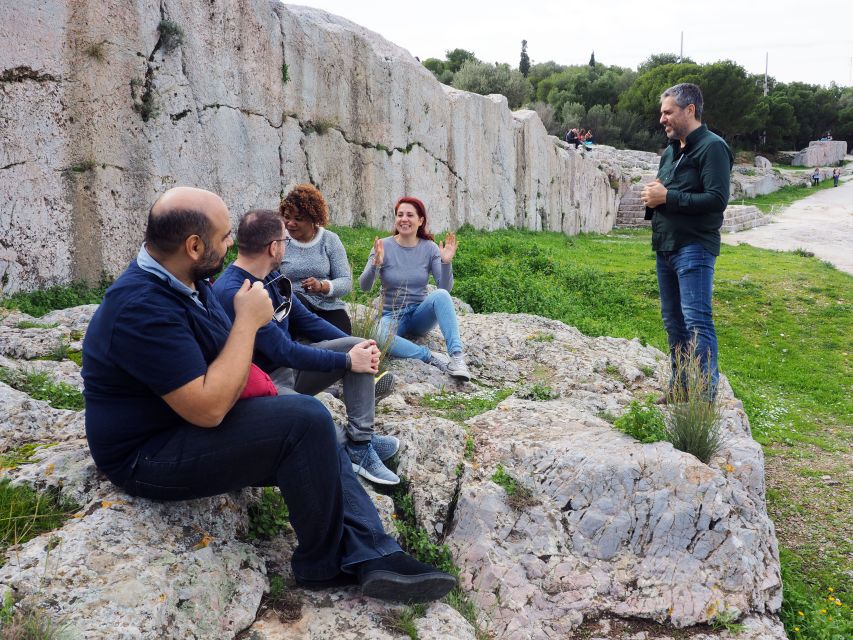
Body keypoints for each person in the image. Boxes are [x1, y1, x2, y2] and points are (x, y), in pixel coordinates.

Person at [81, 187, 456, 601]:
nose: (230, 246)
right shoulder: (141, 306)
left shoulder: (186, 280)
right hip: (147, 453)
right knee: (304, 419)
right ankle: (324, 563)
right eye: (225, 238)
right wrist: (248, 323)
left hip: (181, 421)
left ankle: (374, 553)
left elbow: (222, 359)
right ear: (193, 246)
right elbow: (207, 409)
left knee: (309, 422)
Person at [213, 209, 400, 486]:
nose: (288, 247)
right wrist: (347, 362)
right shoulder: (235, 291)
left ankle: (360, 443)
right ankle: (351, 443)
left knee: (356, 346)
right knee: (317, 423)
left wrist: (363, 348)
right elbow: (283, 351)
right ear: (273, 247)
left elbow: (308, 322)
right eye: (286, 241)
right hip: (264, 388)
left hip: (290, 371)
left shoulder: (276, 279)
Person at [640, 83, 733, 399]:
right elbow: (667, 194)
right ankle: (680, 390)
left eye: (668, 112)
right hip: (666, 247)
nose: (662, 119)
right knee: (674, 324)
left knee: (697, 323)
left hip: (694, 247)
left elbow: (716, 199)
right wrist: (654, 198)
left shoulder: (712, 147)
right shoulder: (669, 151)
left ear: (689, 110)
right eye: (662, 113)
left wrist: (668, 196)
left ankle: (705, 398)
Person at [360, 197, 472, 381]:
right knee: (377, 335)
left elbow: (445, 287)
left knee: (441, 295)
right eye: (400, 215)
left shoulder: (429, 248)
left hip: (419, 315)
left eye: (410, 215)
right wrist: (376, 265)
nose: (404, 219)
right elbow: (364, 287)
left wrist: (446, 263)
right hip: (391, 315)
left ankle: (457, 357)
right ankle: (429, 357)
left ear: (420, 221)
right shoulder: (383, 246)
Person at [279, 184, 352, 335]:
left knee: (342, 339)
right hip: (294, 306)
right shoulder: (279, 240)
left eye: (298, 219)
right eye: (287, 217)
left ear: (313, 218)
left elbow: (345, 281)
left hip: (327, 307)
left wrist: (322, 286)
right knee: (296, 302)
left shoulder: (330, 240)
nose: (290, 223)